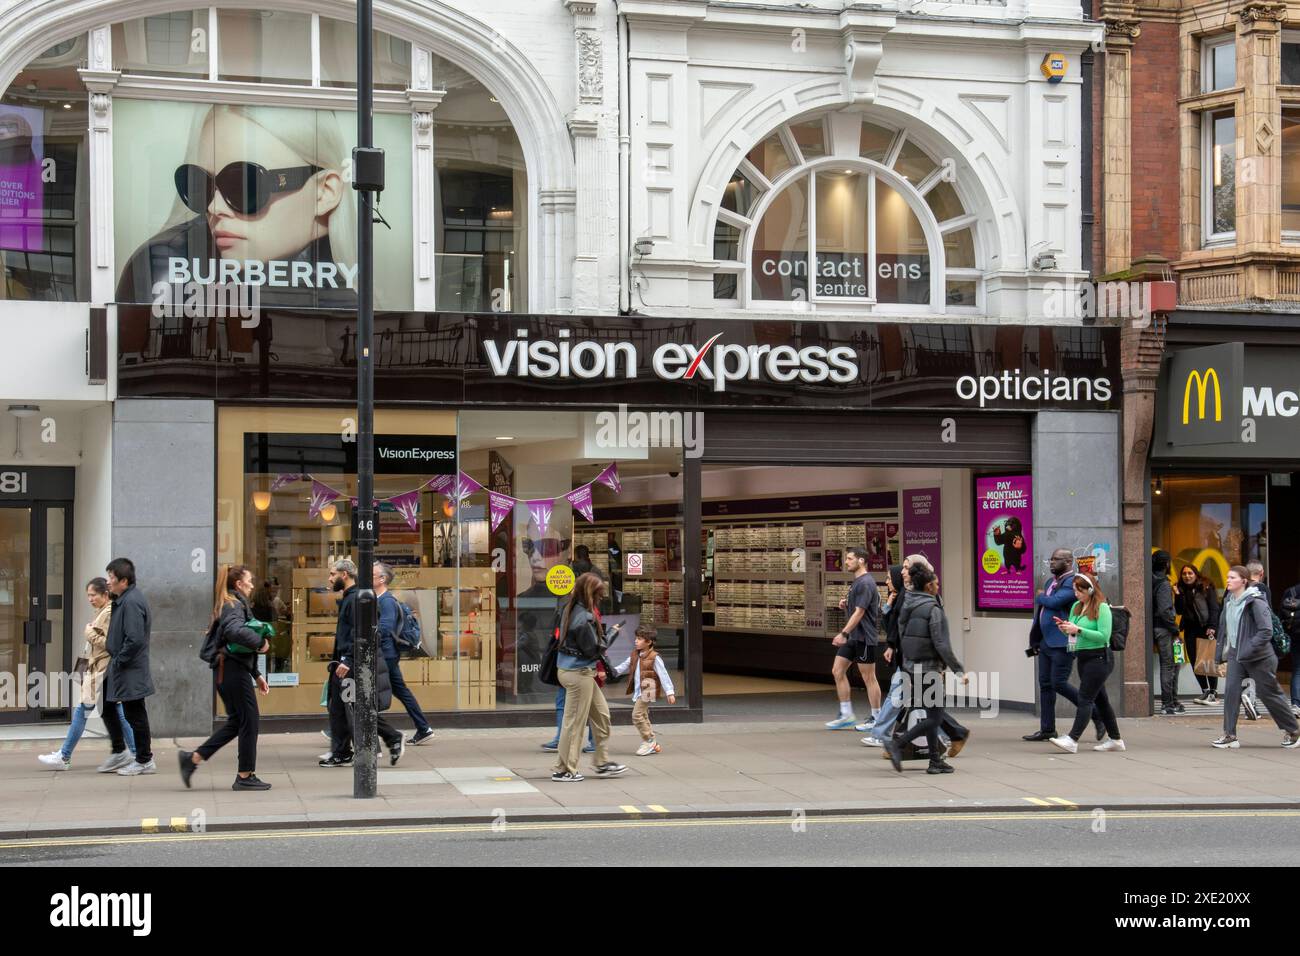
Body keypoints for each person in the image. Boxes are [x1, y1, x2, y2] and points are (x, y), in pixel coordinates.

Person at [115, 104, 358, 309]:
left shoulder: (355, 299)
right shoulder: (166, 265)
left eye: (245, 184)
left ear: (325, 193)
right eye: (201, 184)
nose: (214, 207)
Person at [179, 565, 272, 790]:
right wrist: (261, 643)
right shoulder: (234, 605)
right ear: (239, 584)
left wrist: (256, 674)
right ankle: (245, 776)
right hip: (231, 671)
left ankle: (192, 759)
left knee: (238, 722)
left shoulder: (231, 603)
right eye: (249, 580)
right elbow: (234, 632)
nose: (252, 583)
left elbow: (234, 646)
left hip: (229, 670)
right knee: (250, 721)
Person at [38, 579, 135, 770]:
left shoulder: (109, 613)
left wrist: (89, 633)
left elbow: (110, 643)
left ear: (105, 594)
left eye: (93, 595)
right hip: (101, 669)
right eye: (88, 595)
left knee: (83, 710)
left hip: (102, 670)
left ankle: (64, 756)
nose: (90, 599)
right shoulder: (104, 611)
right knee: (115, 712)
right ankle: (134, 752)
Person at [319, 559, 404, 768]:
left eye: (333, 574)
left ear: (345, 574)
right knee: (339, 707)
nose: (330, 579)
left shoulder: (358, 598)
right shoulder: (351, 597)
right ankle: (341, 752)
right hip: (343, 661)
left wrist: (348, 658)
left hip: (351, 663)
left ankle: (392, 737)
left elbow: (362, 633)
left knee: (357, 707)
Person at [884, 563, 964, 775]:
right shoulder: (933, 609)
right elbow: (941, 643)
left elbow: (902, 635)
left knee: (930, 713)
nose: (938, 586)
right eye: (936, 583)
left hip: (911, 665)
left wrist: (908, 662)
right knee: (934, 718)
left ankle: (935, 760)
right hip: (929, 667)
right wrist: (957, 669)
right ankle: (898, 744)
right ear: (929, 586)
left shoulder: (907, 603)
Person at [1212, 566, 1300, 749]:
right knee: (1231, 692)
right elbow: (1225, 628)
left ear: (1243, 581)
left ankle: (1294, 731)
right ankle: (1230, 735)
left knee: (1270, 694)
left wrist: (1248, 648)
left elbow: (1266, 631)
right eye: (1227, 577)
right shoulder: (1229, 600)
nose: (1227, 580)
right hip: (1237, 654)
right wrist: (1222, 651)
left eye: (1232, 577)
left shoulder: (1255, 602)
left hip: (1260, 656)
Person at [551, 572, 626, 782]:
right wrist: (611, 633)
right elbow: (594, 650)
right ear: (591, 593)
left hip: (579, 672)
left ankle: (602, 762)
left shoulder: (571, 608)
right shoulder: (583, 617)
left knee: (602, 716)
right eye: (600, 594)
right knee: (574, 724)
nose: (602, 598)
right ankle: (564, 769)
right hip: (578, 674)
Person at [1024, 549, 1102, 741]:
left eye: (1056, 559)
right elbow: (1045, 608)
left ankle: (1097, 715)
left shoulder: (1073, 582)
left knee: (1058, 683)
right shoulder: (1051, 582)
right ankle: (1048, 729)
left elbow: (1055, 601)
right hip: (1045, 641)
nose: (1051, 562)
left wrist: (1040, 596)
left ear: (1068, 562)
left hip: (1062, 641)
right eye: (1050, 559)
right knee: (1045, 685)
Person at [1048, 574, 1125, 754]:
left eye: (1079, 590)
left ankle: (1072, 739)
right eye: (1074, 590)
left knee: (1085, 698)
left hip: (1099, 658)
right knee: (1101, 700)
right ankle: (1116, 740)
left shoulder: (1102, 607)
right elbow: (1074, 631)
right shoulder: (1077, 606)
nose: (1076, 594)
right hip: (1083, 658)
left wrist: (1078, 629)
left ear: (1090, 590)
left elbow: (1103, 636)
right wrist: (1066, 627)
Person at [100, 558, 156, 776]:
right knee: (107, 704)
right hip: (123, 667)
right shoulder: (124, 599)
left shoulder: (131, 602)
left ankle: (144, 760)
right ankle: (120, 751)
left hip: (129, 668)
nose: (108, 582)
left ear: (123, 580)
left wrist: (120, 661)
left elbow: (134, 639)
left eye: (111, 578)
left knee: (136, 714)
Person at [374, 562, 435, 745]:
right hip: (386, 654)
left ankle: (349, 729)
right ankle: (423, 728)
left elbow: (385, 629)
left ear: (382, 579)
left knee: (370, 692)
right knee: (400, 690)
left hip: (386, 655)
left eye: (372, 574)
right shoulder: (379, 599)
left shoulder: (386, 601)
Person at [826, 546, 882, 730]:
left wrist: (843, 633)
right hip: (854, 637)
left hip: (864, 637)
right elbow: (856, 607)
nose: (846, 562)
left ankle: (877, 718)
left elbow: (860, 613)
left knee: (868, 678)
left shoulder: (866, 583)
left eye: (850, 558)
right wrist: (846, 604)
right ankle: (846, 714)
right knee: (837, 670)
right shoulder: (858, 582)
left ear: (861, 560)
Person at [612, 624, 677, 755]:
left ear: (649, 642)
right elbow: (624, 666)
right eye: (636, 638)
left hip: (648, 690)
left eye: (640, 639)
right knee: (643, 715)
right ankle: (652, 741)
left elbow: (663, 675)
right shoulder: (635, 654)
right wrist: (611, 672)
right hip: (639, 690)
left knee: (636, 715)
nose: (636, 641)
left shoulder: (655, 657)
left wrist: (670, 692)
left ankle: (648, 741)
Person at [1175, 563, 1221, 705]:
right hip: (1190, 629)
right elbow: (1179, 610)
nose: (1187, 576)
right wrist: (1178, 595)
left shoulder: (1206, 586)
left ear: (1196, 574)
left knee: (1208, 661)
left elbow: (1214, 608)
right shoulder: (1181, 589)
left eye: (1190, 573)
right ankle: (1205, 691)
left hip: (1206, 628)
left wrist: (1213, 626)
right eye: (1184, 574)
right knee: (1195, 661)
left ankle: (1213, 693)